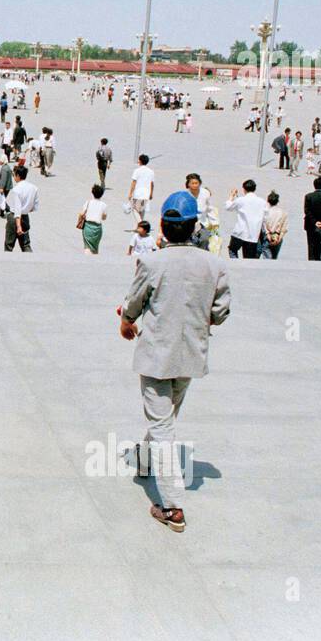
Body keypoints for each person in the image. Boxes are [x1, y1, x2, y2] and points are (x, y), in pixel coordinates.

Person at [119, 192, 231, 533]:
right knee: (164, 419)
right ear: (194, 227)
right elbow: (220, 312)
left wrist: (127, 322)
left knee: (164, 427)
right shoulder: (214, 265)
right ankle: (142, 461)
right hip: (190, 356)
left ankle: (172, 506)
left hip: (156, 356)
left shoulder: (152, 263)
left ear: (164, 228)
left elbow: (133, 304)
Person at [224, 179, 264, 258]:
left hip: (240, 232)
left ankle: (235, 263)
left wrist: (232, 196)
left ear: (244, 189)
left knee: (232, 249)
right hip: (253, 234)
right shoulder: (262, 202)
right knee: (249, 257)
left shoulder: (241, 200)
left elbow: (228, 207)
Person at [4, 164, 38, 252]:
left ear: (18, 176)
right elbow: (34, 207)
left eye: (14, 175)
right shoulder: (34, 188)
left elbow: (17, 209)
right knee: (25, 244)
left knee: (9, 244)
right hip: (25, 217)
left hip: (14, 219)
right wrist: (26, 208)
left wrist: (18, 226)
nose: (14, 177)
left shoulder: (16, 190)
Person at [79, 183, 107, 254]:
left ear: (92, 192)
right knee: (95, 248)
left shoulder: (88, 202)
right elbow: (104, 218)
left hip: (88, 227)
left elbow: (82, 214)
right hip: (98, 229)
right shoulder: (103, 205)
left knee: (87, 247)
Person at [260, 191, 287, 258]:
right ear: (277, 201)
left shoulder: (265, 212)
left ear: (268, 201)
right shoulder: (283, 212)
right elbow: (284, 228)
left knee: (267, 257)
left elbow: (264, 225)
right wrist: (279, 238)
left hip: (268, 237)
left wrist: (267, 234)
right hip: (277, 236)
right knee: (274, 257)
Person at [128, 154, 155, 222]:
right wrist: (151, 193)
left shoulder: (137, 171)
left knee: (135, 209)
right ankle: (141, 226)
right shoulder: (151, 171)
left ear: (140, 161)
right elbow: (152, 184)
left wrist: (130, 193)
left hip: (138, 193)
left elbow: (134, 182)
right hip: (146, 193)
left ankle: (140, 224)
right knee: (142, 210)